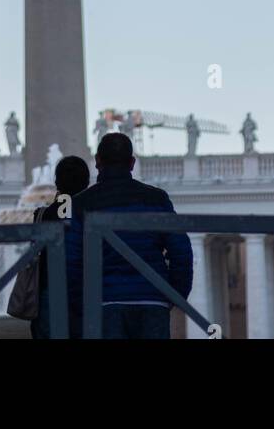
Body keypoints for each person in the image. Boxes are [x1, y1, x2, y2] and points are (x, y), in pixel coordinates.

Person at [65, 131, 193, 340]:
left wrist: (81, 303)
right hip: (152, 300)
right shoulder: (157, 199)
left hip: (104, 301)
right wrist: (174, 295)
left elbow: (71, 261)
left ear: (97, 161)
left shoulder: (81, 203)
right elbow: (181, 252)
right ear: (132, 163)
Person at [32, 155, 90, 340]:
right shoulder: (94, 212)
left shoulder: (43, 215)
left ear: (57, 182)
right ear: (87, 182)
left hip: (50, 289)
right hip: (87, 289)